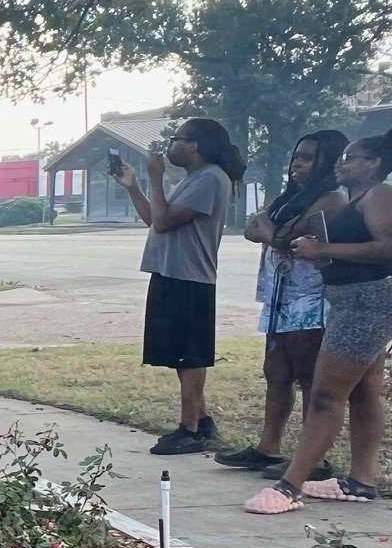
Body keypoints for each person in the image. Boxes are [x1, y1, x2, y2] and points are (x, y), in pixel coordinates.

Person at [245, 133, 392, 513]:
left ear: (373, 163)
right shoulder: (360, 199)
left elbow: (388, 246)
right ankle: (361, 481)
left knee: (326, 396)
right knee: (363, 392)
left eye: (350, 158)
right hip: (351, 301)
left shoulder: (379, 195)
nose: (340, 164)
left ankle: (289, 487)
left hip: (367, 303)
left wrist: (322, 249)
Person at [215, 132, 348, 477]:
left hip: (311, 297)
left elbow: (294, 240)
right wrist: (277, 234)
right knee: (276, 373)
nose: (297, 165)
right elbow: (253, 229)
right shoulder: (291, 198)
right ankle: (268, 447)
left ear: (329, 162)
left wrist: (272, 234)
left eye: (307, 158)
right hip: (280, 295)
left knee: (308, 376)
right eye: (296, 157)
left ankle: (313, 458)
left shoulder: (332, 198)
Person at [114, 118, 245, 455]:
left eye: (177, 139)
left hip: (191, 276)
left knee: (189, 355)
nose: (170, 145)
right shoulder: (195, 179)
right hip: (172, 273)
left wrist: (156, 177)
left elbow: (164, 220)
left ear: (195, 145)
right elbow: (154, 220)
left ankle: (190, 429)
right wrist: (133, 186)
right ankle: (200, 420)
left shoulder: (211, 178)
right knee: (178, 354)